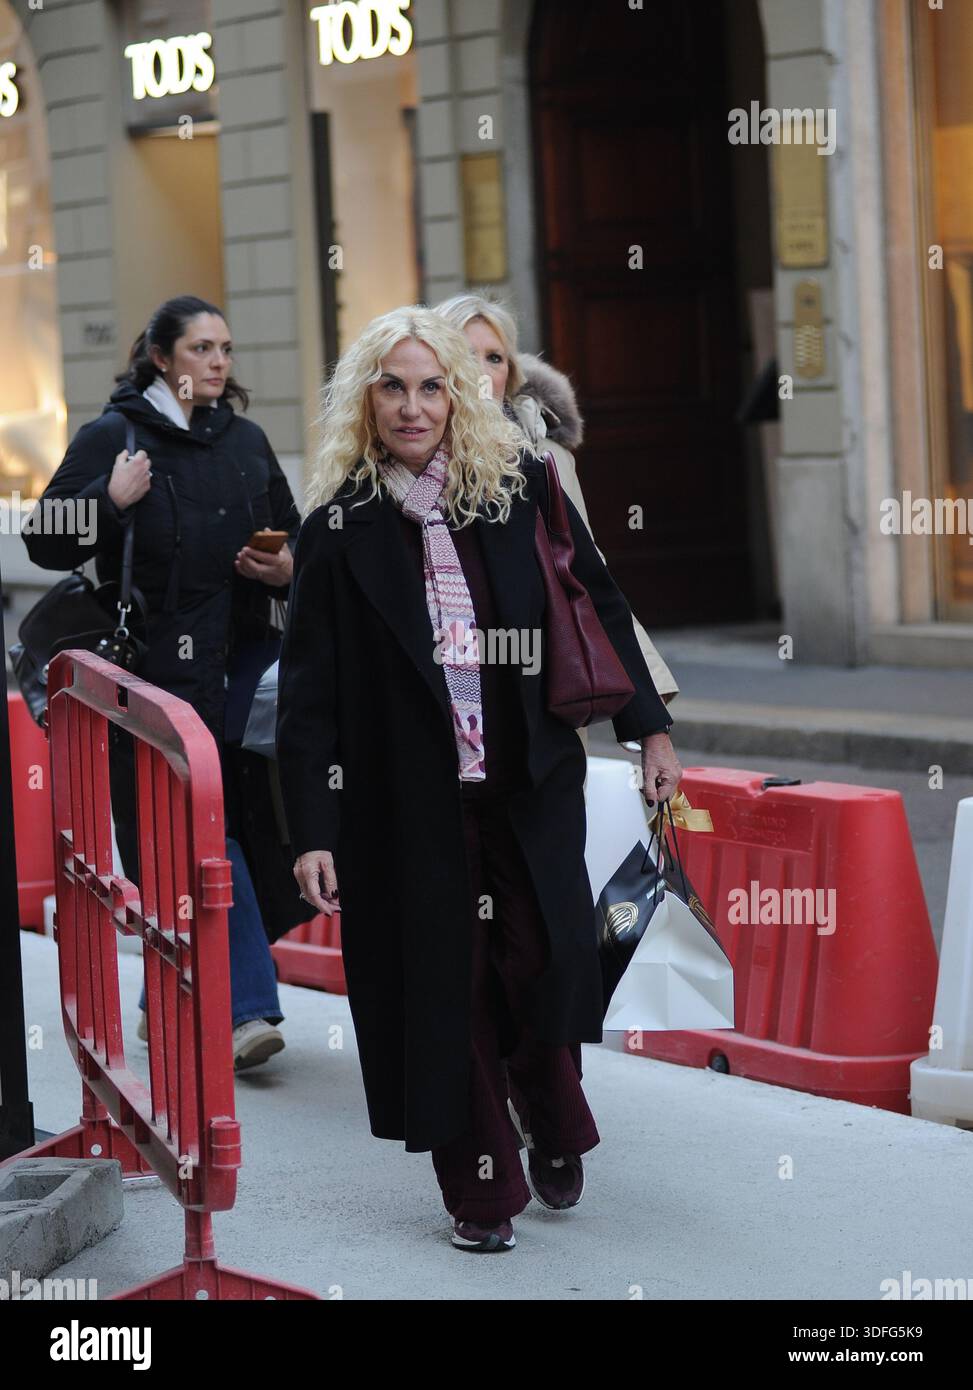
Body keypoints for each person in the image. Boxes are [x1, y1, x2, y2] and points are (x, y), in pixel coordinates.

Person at [276, 306, 683, 1252]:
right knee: (442, 990)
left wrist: (649, 731)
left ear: (460, 393)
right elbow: (308, 694)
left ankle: (550, 1106)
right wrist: (313, 829)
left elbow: (600, 603)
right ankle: (481, 1190)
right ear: (364, 401)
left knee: (543, 964)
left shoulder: (523, 486)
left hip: (527, 778)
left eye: (430, 386)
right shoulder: (339, 526)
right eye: (391, 387)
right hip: (405, 803)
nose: (412, 408)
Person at [23, 294, 314, 1070]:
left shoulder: (246, 441)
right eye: (201, 349)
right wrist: (106, 503)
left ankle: (166, 990)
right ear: (161, 358)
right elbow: (43, 538)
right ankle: (246, 1008)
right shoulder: (113, 437)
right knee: (195, 827)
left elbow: (300, 544)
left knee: (245, 829)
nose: (219, 362)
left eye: (226, 348)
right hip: (154, 675)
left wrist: (286, 569)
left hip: (245, 673)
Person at [433, 293, 679, 708]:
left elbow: (586, 571)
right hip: (442, 675)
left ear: (509, 375)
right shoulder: (406, 459)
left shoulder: (547, 456)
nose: (481, 372)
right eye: (464, 354)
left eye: (495, 359)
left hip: (542, 677)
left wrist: (646, 698)